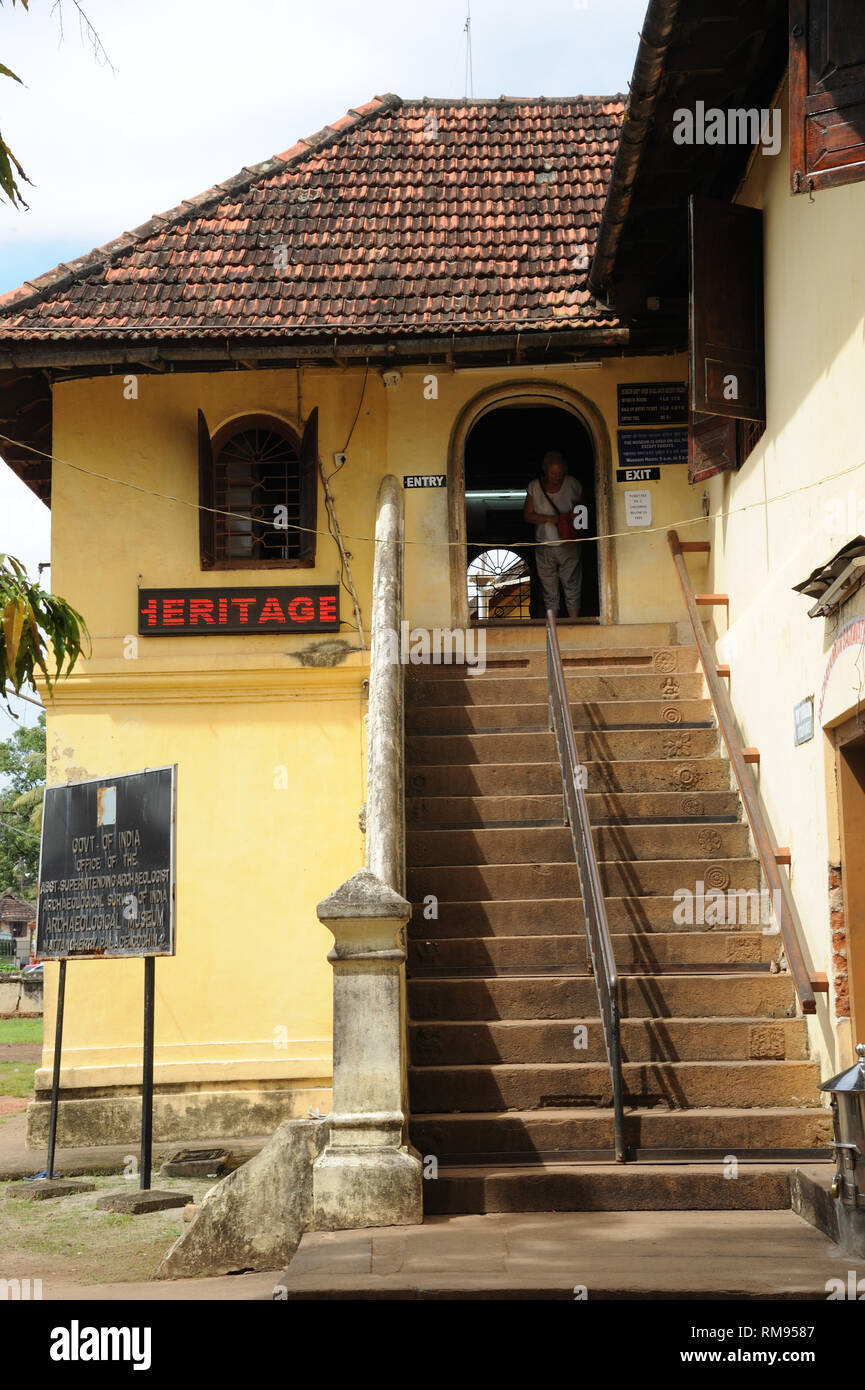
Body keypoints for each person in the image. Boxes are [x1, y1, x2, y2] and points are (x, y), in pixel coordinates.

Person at [524, 450, 584, 619]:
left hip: (569, 543)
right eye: (553, 473)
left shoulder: (573, 484)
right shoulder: (534, 487)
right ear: (545, 470)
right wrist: (552, 519)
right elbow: (527, 516)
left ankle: (574, 623)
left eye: (560, 472)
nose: (557, 476)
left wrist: (575, 517)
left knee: (571, 584)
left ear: (565, 469)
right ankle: (554, 626)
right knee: (549, 588)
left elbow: (584, 511)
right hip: (544, 545)